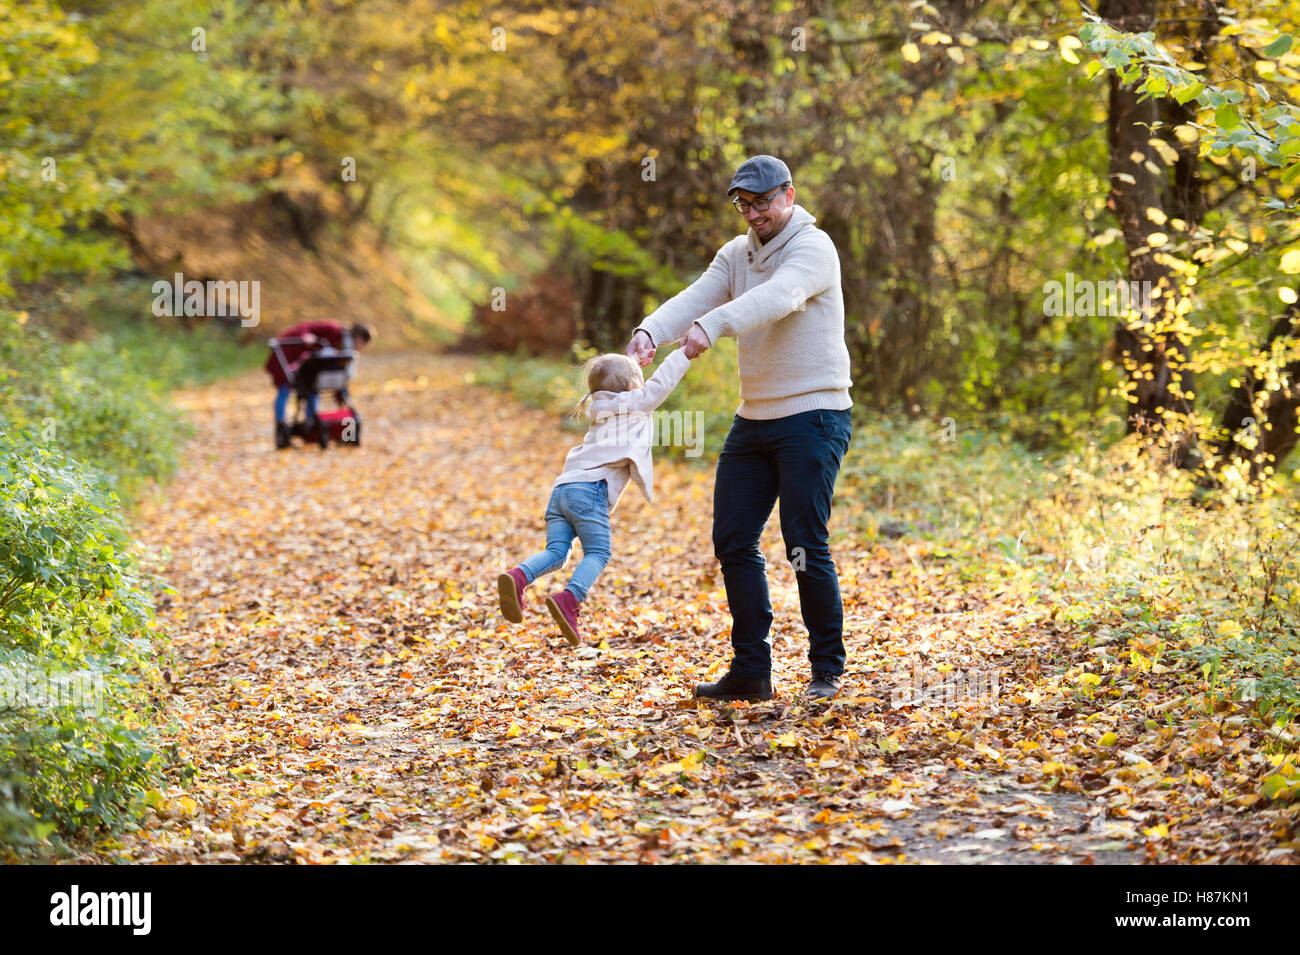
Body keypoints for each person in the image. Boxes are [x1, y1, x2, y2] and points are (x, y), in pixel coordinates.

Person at [626, 154, 853, 702]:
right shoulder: (736, 255)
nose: (753, 214)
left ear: (788, 196)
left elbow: (778, 299)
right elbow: (698, 297)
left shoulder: (812, 248)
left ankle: (826, 669)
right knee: (733, 538)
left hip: (814, 415)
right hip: (755, 417)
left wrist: (714, 326)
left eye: (762, 203)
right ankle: (752, 670)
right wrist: (650, 332)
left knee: (804, 541)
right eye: (744, 205)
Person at [497, 346, 693, 645]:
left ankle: (519, 576)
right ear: (631, 387)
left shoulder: (599, 407)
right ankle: (570, 598)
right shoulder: (636, 403)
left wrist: (630, 368)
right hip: (590, 490)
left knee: (557, 553)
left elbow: (620, 384)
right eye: (639, 380)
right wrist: (683, 353)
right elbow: (661, 383)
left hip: (562, 489)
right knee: (598, 553)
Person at [265, 320, 372, 448]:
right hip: (287, 351)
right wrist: (306, 336)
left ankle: (312, 425)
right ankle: (281, 429)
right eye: (363, 344)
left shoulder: (342, 346)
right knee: (285, 389)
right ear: (360, 338)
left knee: (312, 388)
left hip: (306, 365)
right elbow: (305, 326)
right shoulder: (333, 329)